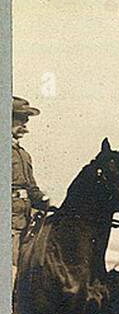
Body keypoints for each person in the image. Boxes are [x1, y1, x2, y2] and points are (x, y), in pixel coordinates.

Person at [12, 96, 51, 266]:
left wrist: (43, 200)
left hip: (26, 217)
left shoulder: (24, 154)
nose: (25, 125)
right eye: (19, 119)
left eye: (25, 120)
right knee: (11, 270)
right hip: (9, 219)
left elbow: (31, 187)